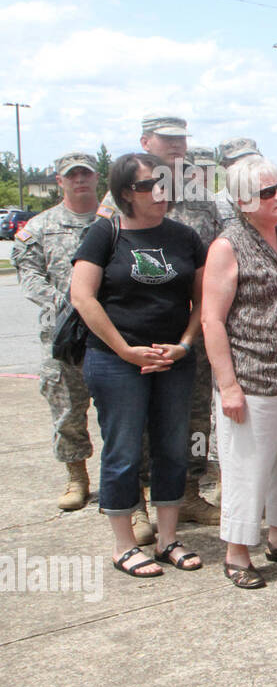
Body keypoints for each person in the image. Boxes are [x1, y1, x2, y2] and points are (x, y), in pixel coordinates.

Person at [71, 152, 207, 578]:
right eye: (152, 185)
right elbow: (83, 298)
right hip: (116, 362)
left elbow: (204, 300)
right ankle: (124, 544)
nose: (163, 192)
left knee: (172, 448)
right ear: (128, 192)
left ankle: (168, 539)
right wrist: (125, 350)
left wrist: (184, 346)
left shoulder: (185, 236)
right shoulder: (103, 233)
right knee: (124, 450)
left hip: (174, 361)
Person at [202, 156, 277, 588]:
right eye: (268, 192)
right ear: (242, 201)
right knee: (248, 465)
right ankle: (237, 551)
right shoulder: (227, 245)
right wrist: (228, 384)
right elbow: (212, 320)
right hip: (254, 375)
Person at [101, 115, 223, 526]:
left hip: (190, 332)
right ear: (145, 142)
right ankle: (135, 505)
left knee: (193, 417)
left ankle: (187, 492)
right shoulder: (119, 200)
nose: (175, 147)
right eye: (166, 140)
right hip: (133, 335)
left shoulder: (202, 199)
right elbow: (97, 273)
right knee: (133, 427)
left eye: (181, 139)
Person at [13, 152, 105, 517]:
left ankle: (130, 481)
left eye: (86, 173)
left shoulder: (115, 221)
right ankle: (77, 477)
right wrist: (70, 304)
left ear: (97, 178)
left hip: (112, 333)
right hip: (65, 336)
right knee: (67, 408)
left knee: (123, 412)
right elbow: (30, 277)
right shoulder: (39, 227)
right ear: (59, 181)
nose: (79, 180)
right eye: (72, 175)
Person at [214, 138, 262, 226]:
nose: (246, 167)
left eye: (252, 161)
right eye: (238, 162)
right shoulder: (214, 205)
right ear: (223, 166)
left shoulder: (270, 198)